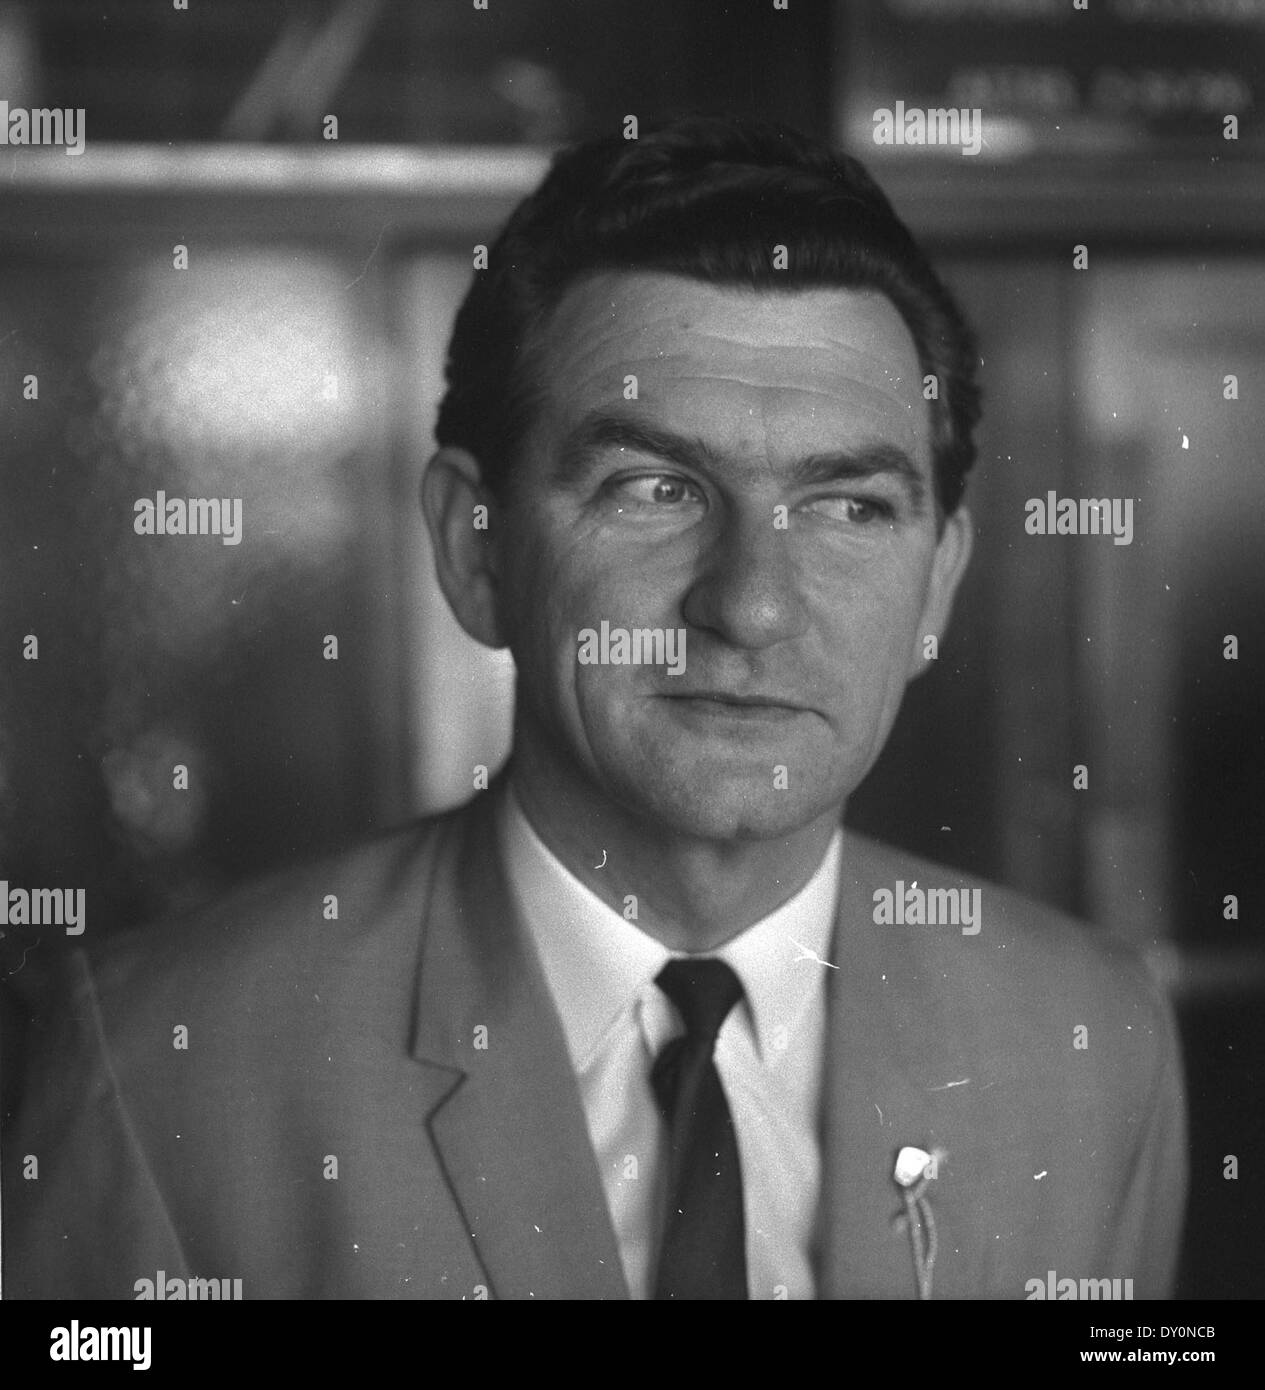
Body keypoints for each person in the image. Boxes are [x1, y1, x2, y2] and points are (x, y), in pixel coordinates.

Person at [3, 114, 1186, 1300]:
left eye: (848, 507)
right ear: (477, 550)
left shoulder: (1088, 1043)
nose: (752, 607)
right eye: (654, 488)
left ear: (935, 582)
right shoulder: (162, 1067)